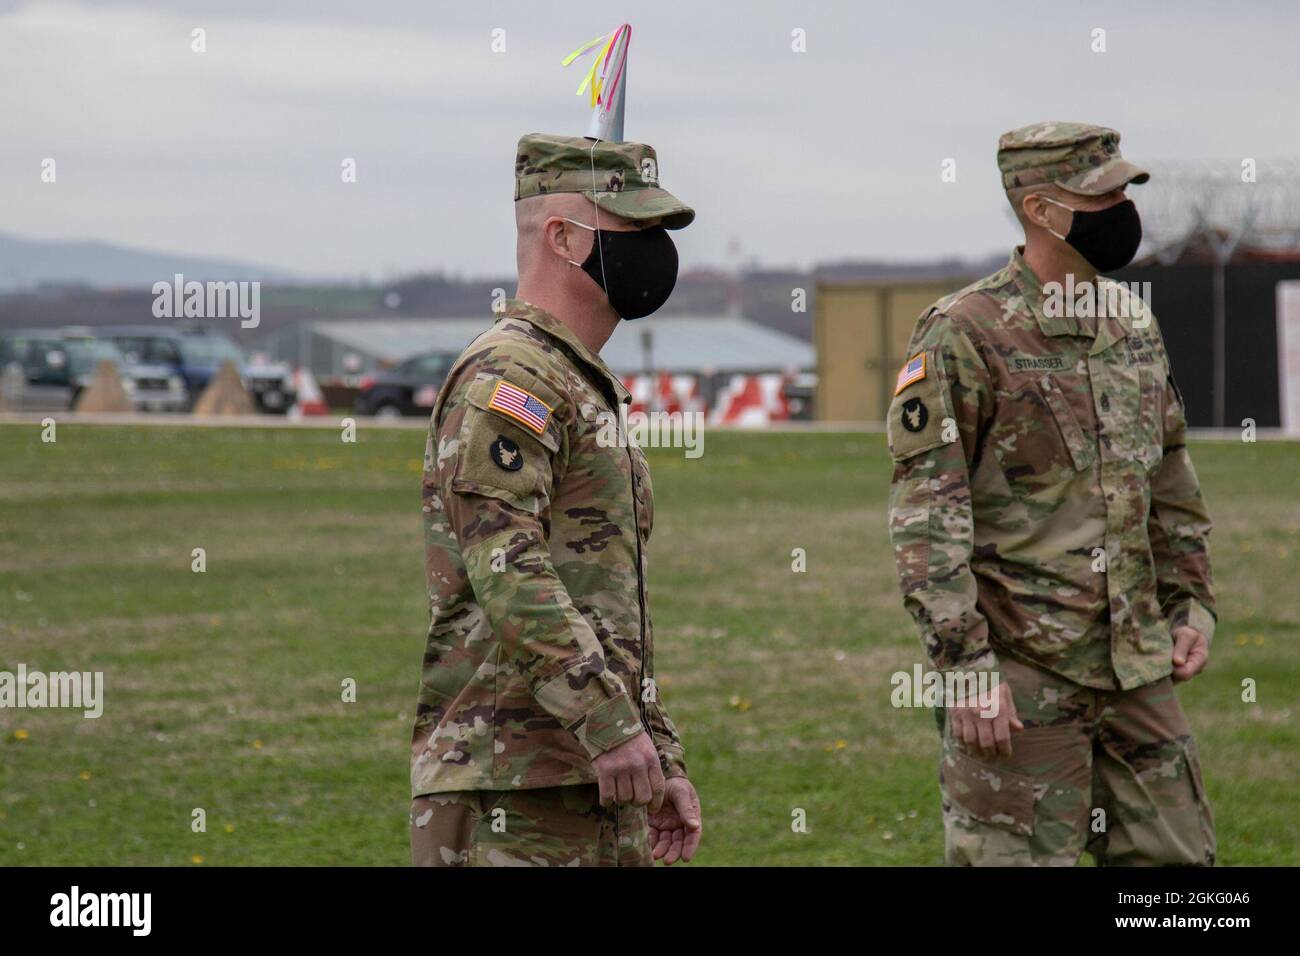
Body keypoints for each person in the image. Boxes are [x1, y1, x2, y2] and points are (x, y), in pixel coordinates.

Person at [887, 122, 1216, 866]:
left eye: (1126, 190)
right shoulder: (962, 333)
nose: (1123, 208)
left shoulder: (1133, 324)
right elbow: (926, 517)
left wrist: (1190, 603)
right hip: (1020, 673)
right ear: (1040, 209)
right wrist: (964, 664)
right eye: (1102, 194)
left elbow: (1169, 478)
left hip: (1137, 666)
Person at [409, 132, 702, 866]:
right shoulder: (513, 377)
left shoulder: (577, 379)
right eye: (635, 230)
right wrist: (612, 726)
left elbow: (605, 595)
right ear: (564, 238)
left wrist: (653, 746)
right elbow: (510, 569)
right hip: (512, 785)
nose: (655, 250)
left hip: (594, 775)